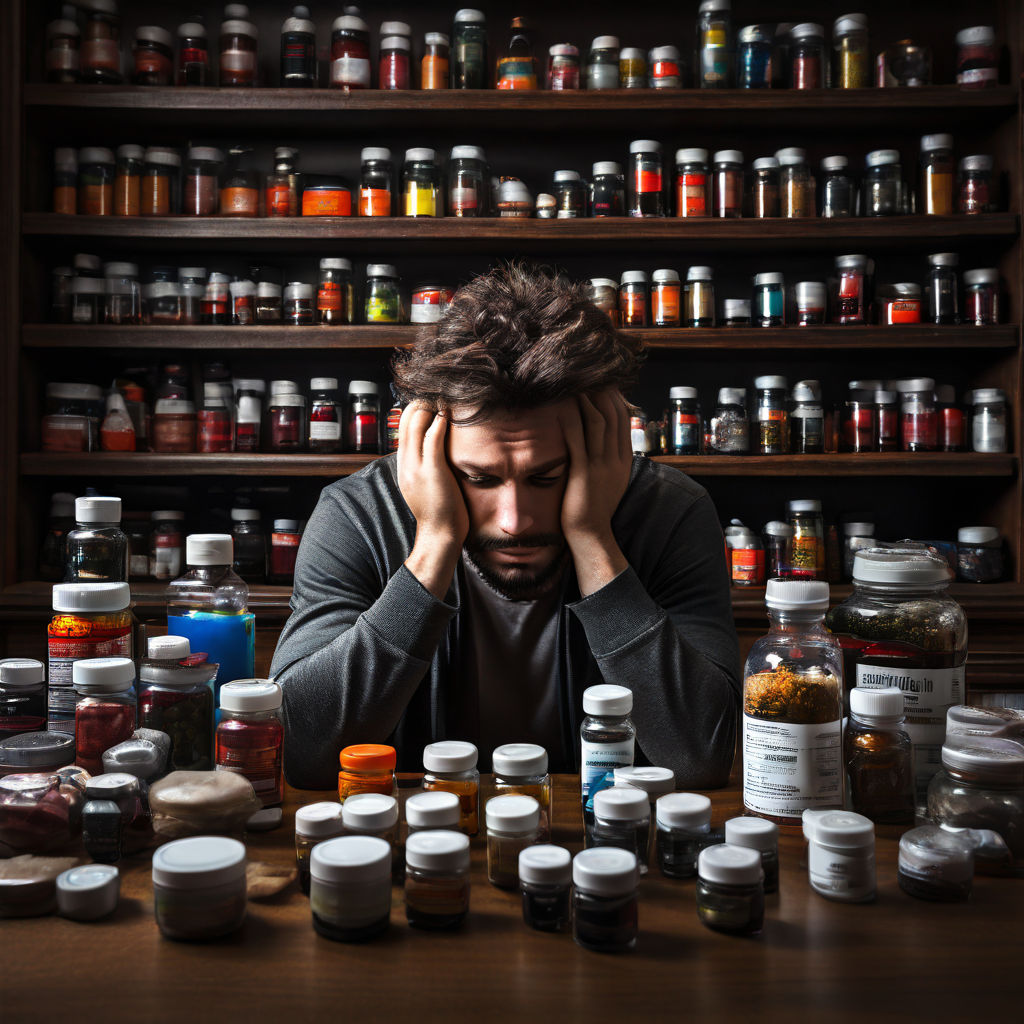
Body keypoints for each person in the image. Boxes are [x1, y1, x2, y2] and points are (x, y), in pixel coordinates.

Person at [270, 264, 740, 789]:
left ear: (602, 445)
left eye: (547, 477)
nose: (515, 521)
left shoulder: (669, 513)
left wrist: (592, 537)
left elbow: (701, 755)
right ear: (432, 449)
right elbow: (305, 755)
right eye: (479, 478)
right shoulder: (357, 514)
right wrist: (434, 544)